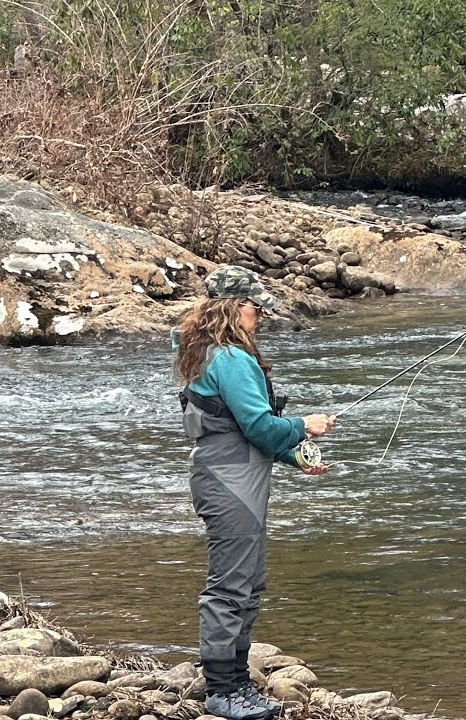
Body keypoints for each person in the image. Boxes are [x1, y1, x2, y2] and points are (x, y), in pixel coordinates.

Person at [173, 265, 335, 720]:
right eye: (254, 306)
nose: (259, 314)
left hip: (229, 475)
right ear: (232, 308)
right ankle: (223, 691)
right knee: (230, 588)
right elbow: (259, 426)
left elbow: (241, 429)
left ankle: (238, 684)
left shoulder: (201, 349)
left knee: (248, 584)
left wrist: (295, 455)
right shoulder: (231, 359)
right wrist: (305, 425)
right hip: (230, 483)